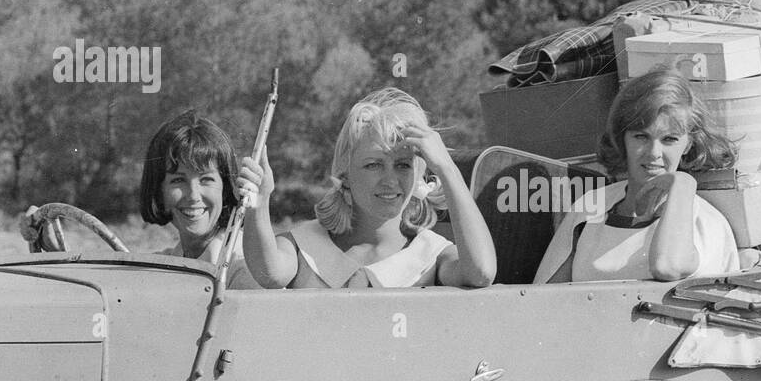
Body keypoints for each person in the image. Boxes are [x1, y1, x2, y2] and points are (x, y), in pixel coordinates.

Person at [235, 87, 496, 289]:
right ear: (344, 174)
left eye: (403, 166)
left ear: (418, 175)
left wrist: (447, 169)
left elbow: (481, 272)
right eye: (373, 165)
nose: (390, 180)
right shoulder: (303, 244)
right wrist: (257, 203)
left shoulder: (431, 255)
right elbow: (268, 273)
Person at [534, 72, 740, 283]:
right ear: (622, 138)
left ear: (687, 145)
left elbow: (668, 267)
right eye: (641, 136)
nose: (653, 153)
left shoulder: (704, 220)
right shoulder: (592, 205)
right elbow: (541, 298)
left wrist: (683, 184)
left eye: (669, 139)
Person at [138, 109, 259, 288]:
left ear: (225, 189)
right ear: (159, 191)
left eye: (206, 179)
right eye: (178, 180)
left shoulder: (246, 268)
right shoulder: (162, 265)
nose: (194, 196)